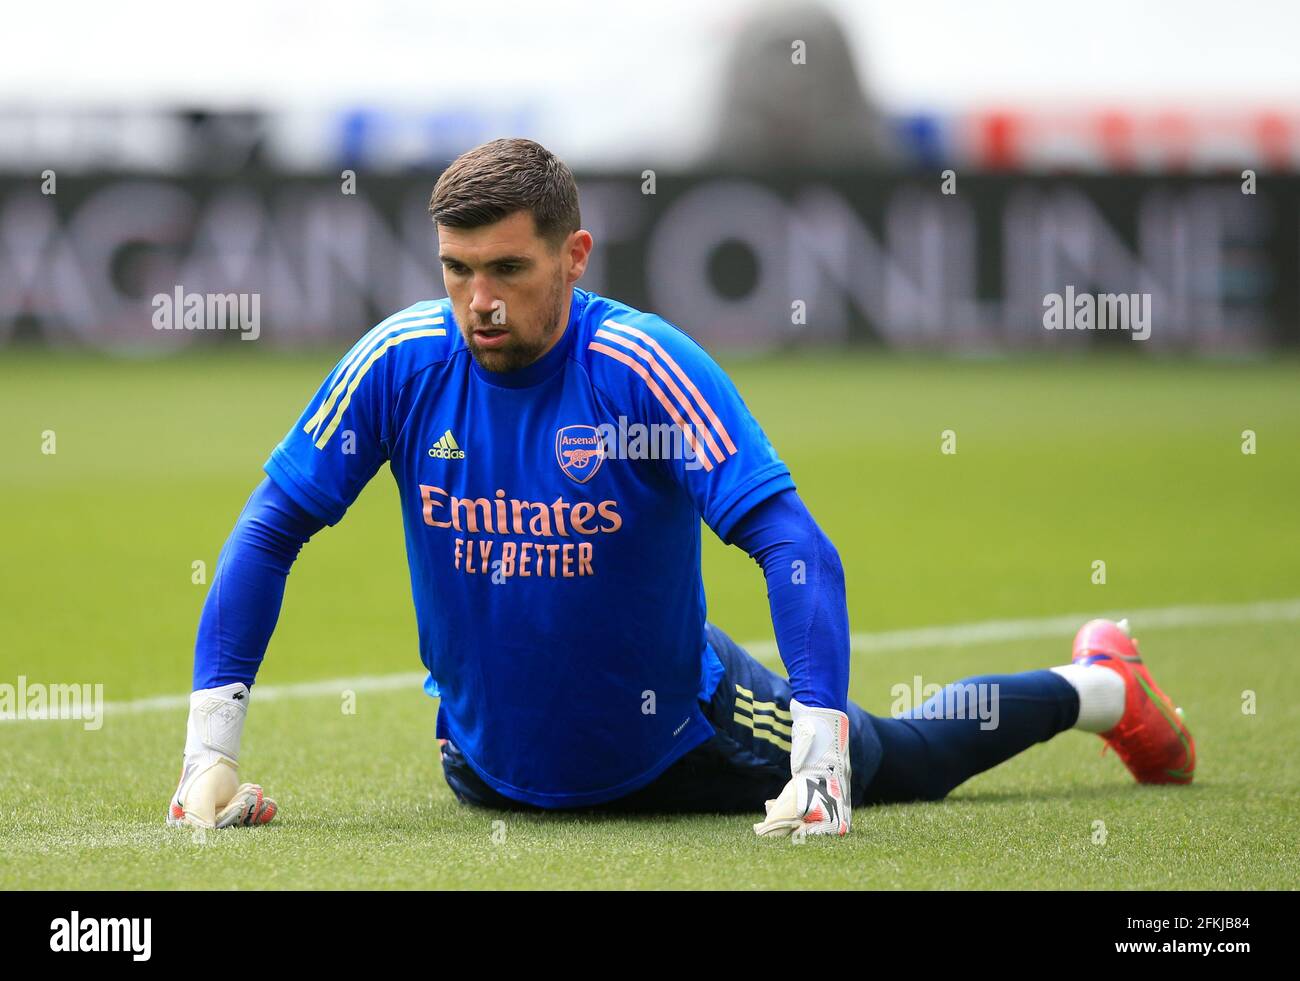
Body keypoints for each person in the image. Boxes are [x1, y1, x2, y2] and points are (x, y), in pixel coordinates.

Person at [167, 138, 1195, 838]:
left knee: (907, 757)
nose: (477, 303)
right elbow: (268, 529)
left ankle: (1102, 687)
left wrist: (820, 756)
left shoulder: (641, 370)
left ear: (575, 257)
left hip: (682, 743)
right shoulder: (398, 363)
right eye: (455, 270)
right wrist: (206, 756)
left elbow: (795, 546)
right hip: (482, 771)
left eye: (508, 270)